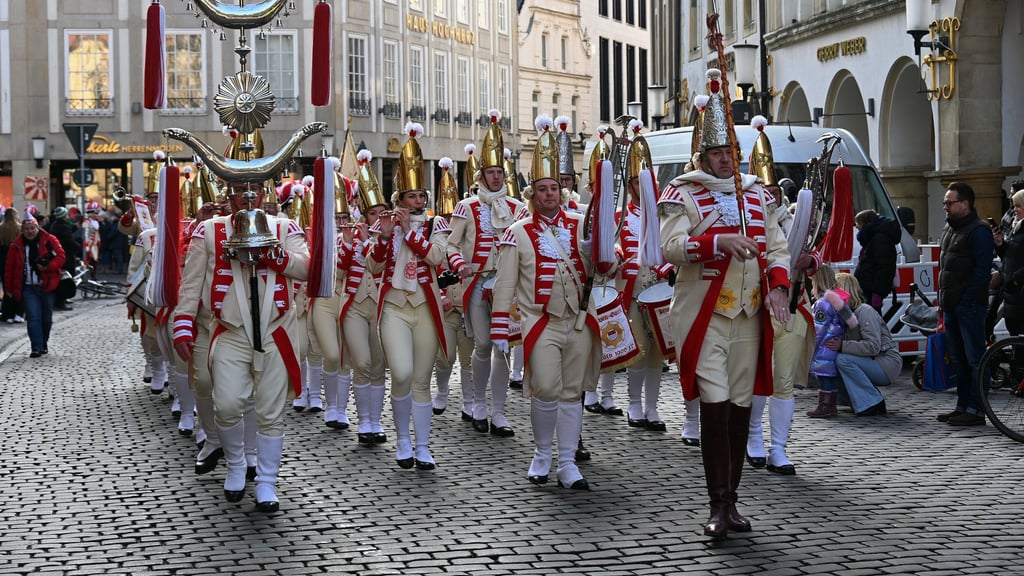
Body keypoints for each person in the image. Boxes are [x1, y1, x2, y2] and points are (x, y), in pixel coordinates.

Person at [657, 69, 790, 538]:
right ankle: (716, 505)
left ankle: (733, 502)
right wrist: (716, 241)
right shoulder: (682, 193)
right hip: (706, 313)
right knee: (714, 404)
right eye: (717, 152)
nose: (725, 160)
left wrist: (778, 284)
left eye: (730, 151)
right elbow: (670, 247)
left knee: (740, 406)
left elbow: (776, 246)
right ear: (703, 154)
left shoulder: (756, 193)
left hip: (750, 312)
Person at [174, 131, 311, 512]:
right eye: (239, 188)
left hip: (276, 330)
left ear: (266, 192)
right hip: (230, 331)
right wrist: (183, 321)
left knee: (271, 411)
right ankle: (235, 463)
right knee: (228, 403)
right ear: (228, 192)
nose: (248, 195)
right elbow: (191, 283)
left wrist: (276, 256)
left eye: (255, 187)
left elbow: (308, 268)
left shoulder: (285, 227)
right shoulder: (210, 231)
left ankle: (267, 481)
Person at [490, 114, 603, 491]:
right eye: (542, 189)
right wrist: (501, 330)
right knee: (546, 389)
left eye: (554, 187)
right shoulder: (516, 232)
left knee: (573, 392)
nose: (550, 194)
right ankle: (542, 454)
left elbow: (605, 265)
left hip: (578, 320)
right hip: (541, 321)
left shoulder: (581, 223)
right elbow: (505, 285)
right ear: (532, 194)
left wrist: (603, 251)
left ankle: (568, 462)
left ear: (562, 190)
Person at [367, 122, 451, 470]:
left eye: (421, 196)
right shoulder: (384, 226)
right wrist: (386, 238)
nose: (417, 201)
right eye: (411, 196)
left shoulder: (437, 225)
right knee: (400, 373)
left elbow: (435, 258)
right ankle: (402, 439)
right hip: (394, 307)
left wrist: (409, 233)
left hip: (425, 307)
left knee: (420, 378)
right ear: (398, 199)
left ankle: (423, 446)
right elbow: (372, 267)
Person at [744, 117, 819, 475]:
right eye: (763, 189)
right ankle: (753, 438)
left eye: (773, 190)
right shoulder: (744, 221)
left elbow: (818, 255)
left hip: (793, 307)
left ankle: (780, 448)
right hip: (755, 309)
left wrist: (808, 260)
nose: (769, 195)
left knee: (785, 380)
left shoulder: (792, 218)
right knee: (759, 376)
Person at [446, 109, 523, 437]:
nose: (495, 177)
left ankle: (500, 412)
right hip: (477, 282)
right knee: (481, 345)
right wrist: (459, 264)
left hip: (507, 285)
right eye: (490, 172)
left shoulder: (517, 208)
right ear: (480, 176)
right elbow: (451, 245)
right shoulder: (466, 207)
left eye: (499, 172)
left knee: (503, 345)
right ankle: (477, 404)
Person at [937, 182, 994, 427]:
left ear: (965, 204)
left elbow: (982, 272)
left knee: (975, 360)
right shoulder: (950, 229)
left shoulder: (979, 230)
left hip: (968, 306)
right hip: (951, 305)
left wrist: (967, 298)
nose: (946, 207)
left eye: (949, 203)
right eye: (944, 203)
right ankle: (962, 406)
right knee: (959, 359)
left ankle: (976, 409)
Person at [342, 150, 389, 445]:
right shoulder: (349, 235)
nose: (379, 218)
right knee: (361, 362)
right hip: (355, 306)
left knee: (378, 364)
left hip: (383, 306)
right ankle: (364, 422)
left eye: (383, 212)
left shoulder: (391, 238)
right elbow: (340, 266)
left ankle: (376, 420)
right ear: (363, 213)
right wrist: (352, 242)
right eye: (374, 213)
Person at [831, 273, 901, 416]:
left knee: (842, 360)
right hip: (876, 361)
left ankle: (871, 401)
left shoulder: (864, 311)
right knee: (832, 360)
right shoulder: (846, 315)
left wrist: (843, 345)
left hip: (886, 363)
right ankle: (858, 399)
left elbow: (873, 346)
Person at [4, 214, 66, 357]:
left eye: (32, 228)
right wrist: (9, 288)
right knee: (33, 317)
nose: (30, 231)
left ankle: (43, 342)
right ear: (22, 230)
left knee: (46, 318)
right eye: (26, 229)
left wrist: (49, 267)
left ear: (37, 227)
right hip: (28, 287)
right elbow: (10, 268)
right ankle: (36, 347)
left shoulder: (50, 240)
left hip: (47, 285)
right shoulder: (16, 246)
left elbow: (61, 256)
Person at [805, 266, 857, 418]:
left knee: (824, 377)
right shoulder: (838, 300)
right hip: (833, 342)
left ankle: (825, 405)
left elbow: (818, 329)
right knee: (830, 377)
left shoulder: (823, 303)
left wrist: (812, 344)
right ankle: (830, 404)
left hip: (824, 346)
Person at [853, 209, 900, 311]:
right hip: (867, 289)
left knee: (872, 320)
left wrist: (877, 293)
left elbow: (884, 269)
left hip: (871, 291)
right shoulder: (874, 238)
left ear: (865, 223)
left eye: (858, 223)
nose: (856, 227)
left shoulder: (880, 239)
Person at [995, 188, 1024, 335]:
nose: (1014, 210)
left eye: (1018, 206)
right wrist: (1000, 243)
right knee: (1015, 334)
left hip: (1018, 290)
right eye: (1014, 206)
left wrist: (1016, 279)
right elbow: (1008, 255)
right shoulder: (1016, 227)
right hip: (1011, 292)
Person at [46, 206, 79, 310]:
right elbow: (69, 240)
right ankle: (61, 302)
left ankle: (59, 301)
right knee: (65, 279)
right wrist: (77, 246)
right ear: (64, 216)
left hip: (57, 255)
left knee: (60, 278)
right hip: (66, 256)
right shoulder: (64, 227)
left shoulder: (55, 225)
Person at [0, 207, 25, 324]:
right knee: (18, 286)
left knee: (7, 287)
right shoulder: (19, 228)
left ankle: (7, 314)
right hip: (16, 256)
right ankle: (18, 313)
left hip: (2, 257)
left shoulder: (1, 228)